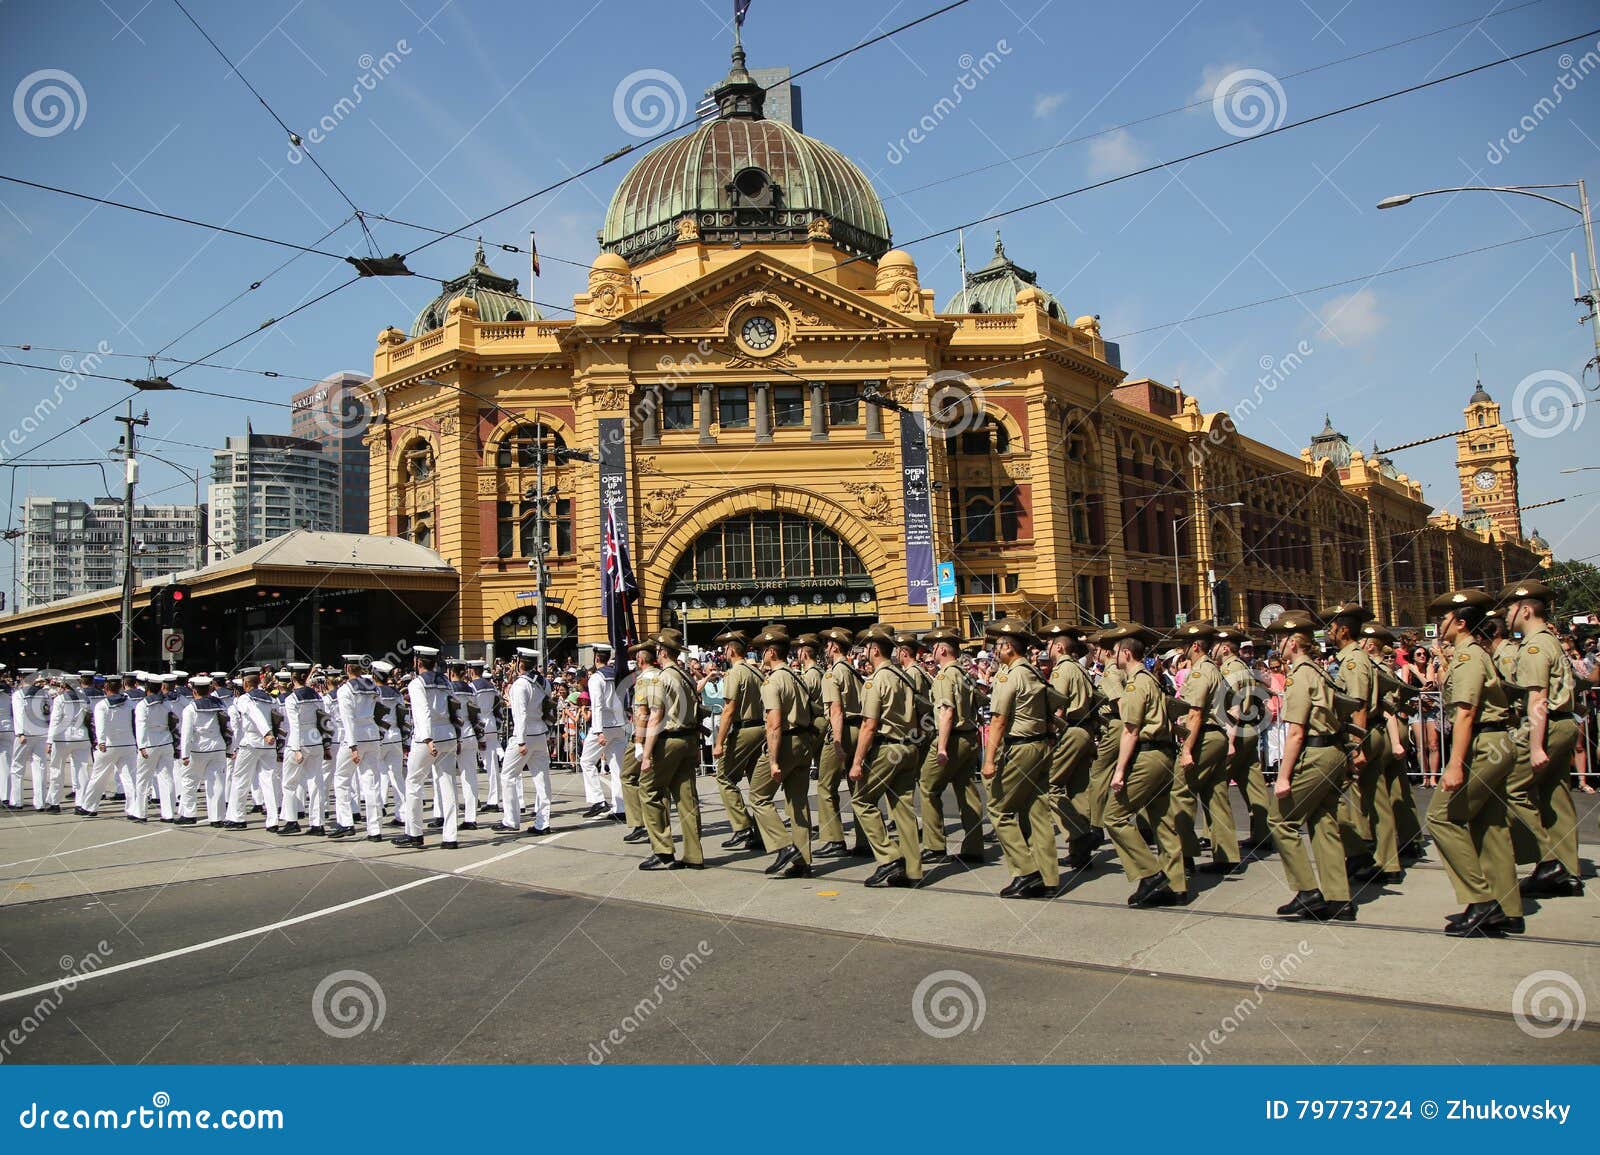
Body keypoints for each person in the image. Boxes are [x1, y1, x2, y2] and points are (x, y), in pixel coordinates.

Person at [1425, 590, 1522, 936]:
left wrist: (1454, 765)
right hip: (1494, 742)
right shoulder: (1470, 655)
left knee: (1440, 817)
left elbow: (1465, 715)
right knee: (1490, 826)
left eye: (1444, 618)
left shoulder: (1468, 658)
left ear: (1461, 622)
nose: (1439, 624)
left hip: (1483, 745)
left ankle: (1482, 901)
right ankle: (1507, 907)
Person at [1264, 611, 1355, 922]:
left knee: (1280, 818)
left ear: (1291, 642)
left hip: (1315, 753)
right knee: (1323, 821)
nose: (1278, 645)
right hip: (1333, 751)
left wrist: (1283, 776)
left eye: (1280, 639)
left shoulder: (1300, 674)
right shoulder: (1318, 670)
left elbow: (1297, 731)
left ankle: (1307, 891)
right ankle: (1338, 897)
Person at [1499, 579, 1585, 899]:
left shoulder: (1534, 645)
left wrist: (1534, 746)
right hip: (1563, 724)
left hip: (1545, 726)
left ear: (1524, 609)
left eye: (1509, 608)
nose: (1506, 615)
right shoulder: (1551, 641)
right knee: (1555, 796)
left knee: (1512, 787)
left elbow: (1538, 698)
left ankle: (1549, 862)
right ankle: (1568, 872)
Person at [1101, 624, 1187, 908]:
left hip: (1147, 755)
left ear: (1126, 654)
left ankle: (1151, 874)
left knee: (1113, 816)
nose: (1113, 658)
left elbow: (1131, 731)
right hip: (1163, 754)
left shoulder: (1137, 683)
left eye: (1115, 653)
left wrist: (1119, 771)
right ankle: (1176, 885)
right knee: (1163, 821)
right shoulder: (1151, 679)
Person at [1323, 603, 1401, 886]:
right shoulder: (1356, 658)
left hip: (1362, 734)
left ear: (1343, 630)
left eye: (1331, 628)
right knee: (1377, 799)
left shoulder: (1353, 661)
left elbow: (1359, 705)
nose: (1328, 633)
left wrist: (1355, 745)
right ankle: (1386, 861)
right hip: (1374, 731)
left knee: (1338, 793)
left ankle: (1360, 853)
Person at [981, 618, 1058, 899]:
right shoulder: (1034, 672)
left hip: (1021, 746)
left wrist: (989, 760)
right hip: (1039, 745)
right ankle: (1048, 877)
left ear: (1008, 648)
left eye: (998, 646)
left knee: (1000, 809)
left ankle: (1026, 872)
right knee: (1037, 812)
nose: (995, 650)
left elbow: (999, 720)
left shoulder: (1010, 674)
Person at [849, 623, 922, 888]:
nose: (864, 652)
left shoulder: (877, 680)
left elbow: (869, 725)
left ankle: (889, 857)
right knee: (903, 808)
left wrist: (857, 761)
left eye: (867, 647)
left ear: (875, 649)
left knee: (862, 800)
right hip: (908, 746)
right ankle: (912, 870)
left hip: (888, 747)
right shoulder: (905, 676)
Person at [752, 625, 815, 879]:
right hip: (803, 741)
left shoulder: (772, 681)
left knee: (758, 796)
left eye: (761, 651)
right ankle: (803, 860)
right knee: (797, 804)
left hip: (785, 743)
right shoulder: (796, 676)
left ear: (769, 652)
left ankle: (783, 846)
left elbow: (774, 723)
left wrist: (774, 761)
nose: (760, 656)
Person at [1174, 622, 1236, 875]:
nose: (1183, 650)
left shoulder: (1200, 672)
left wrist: (1187, 749)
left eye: (1185, 646)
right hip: (1216, 736)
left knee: (1180, 794)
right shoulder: (1215, 669)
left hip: (1204, 738)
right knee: (1216, 795)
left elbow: (1195, 713)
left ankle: (1184, 856)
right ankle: (1226, 855)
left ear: (1196, 646)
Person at [638, 629, 704, 870]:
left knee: (648, 789)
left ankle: (663, 851)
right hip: (688, 739)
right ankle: (694, 855)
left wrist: (646, 754)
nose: (656, 651)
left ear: (662, 652)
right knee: (686, 797)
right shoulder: (684, 675)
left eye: (657, 648)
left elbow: (656, 715)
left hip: (670, 740)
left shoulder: (662, 677)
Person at [920, 627, 986, 865]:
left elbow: (946, 712)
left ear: (944, 649)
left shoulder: (945, 675)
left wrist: (941, 747)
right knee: (966, 790)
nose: (931, 651)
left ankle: (935, 845)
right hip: (969, 735)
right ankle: (973, 846)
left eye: (934, 647)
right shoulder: (965, 673)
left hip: (953, 736)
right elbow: (979, 702)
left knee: (928, 787)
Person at [1039, 621, 1096, 872]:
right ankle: (1080, 853)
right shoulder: (1079, 668)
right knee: (1078, 788)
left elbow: (1058, 707)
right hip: (1085, 729)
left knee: (1049, 784)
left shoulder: (1062, 669)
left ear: (1059, 646)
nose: (1047, 648)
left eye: (1049, 644)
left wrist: (1050, 735)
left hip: (1070, 730)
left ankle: (1078, 833)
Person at [397, 645, 458, 849]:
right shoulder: (446, 682)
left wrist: (428, 739)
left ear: (418, 662)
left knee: (414, 782)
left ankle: (414, 832)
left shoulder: (417, 683)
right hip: (448, 733)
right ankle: (450, 837)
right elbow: (454, 708)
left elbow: (422, 713)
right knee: (448, 785)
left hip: (428, 737)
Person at [711, 628, 765, 850]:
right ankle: (762, 833)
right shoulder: (756, 672)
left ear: (732, 650)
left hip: (744, 729)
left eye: (725, 648)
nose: (723, 652)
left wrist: (719, 742)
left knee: (724, 777)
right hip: (760, 728)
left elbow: (729, 710)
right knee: (755, 783)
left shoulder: (735, 673)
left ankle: (742, 826)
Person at [815, 626, 865, 858]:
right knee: (857, 787)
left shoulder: (832, 673)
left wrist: (836, 741)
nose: (826, 648)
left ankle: (834, 839)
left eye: (828, 644)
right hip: (858, 729)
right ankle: (865, 839)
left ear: (835, 646)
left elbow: (836, 710)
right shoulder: (852, 671)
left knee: (826, 786)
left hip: (842, 730)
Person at [499, 646, 553, 835]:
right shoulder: (543, 682)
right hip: (540, 732)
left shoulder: (520, 684)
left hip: (525, 734)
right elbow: (548, 705)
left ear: (520, 662)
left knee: (507, 776)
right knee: (542, 779)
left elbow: (520, 714)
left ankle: (511, 820)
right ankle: (543, 822)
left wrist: (520, 741)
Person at [337, 654, 383, 842]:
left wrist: (352, 746)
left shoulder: (345, 689)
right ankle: (375, 829)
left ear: (348, 668)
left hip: (355, 736)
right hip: (372, 734)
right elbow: (379, 710)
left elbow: (347, 720)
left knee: (341, 779)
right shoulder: (372, 687)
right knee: (371, 783)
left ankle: (346, 823)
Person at [578, 646, 625, 820]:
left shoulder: (596, 678)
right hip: (619, 724)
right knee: (617, 767)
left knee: (587, 761)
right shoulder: (616, 673)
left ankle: (598, 801)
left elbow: (596, 705)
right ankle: (620, 808)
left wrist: (598, 731)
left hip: (604, 725)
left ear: (597, 658)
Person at [81, 675, 136, 818]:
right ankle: (133, 810)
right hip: (128, 743)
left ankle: (89, 807)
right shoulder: (129, 703)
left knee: (98, 777)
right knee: (130, 778)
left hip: (109, 745)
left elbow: (100, 725)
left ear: (105, 688)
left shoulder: (102, 705)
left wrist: (101, 742)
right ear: (121, 687)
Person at [45, 672, 92, 815]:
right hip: (81, 737)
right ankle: (81, 804)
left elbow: (55, 721)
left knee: (57, 770)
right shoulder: (84, 699)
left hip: (62, 738)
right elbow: (88, 717)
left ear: (64, 685)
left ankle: (55, 803)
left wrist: (49, 740)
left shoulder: (60, 699)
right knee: (81, 771)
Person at [134, 671, 178, 823]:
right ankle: (169, 814)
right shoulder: (167, 703)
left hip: (150, 742)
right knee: (166, 778)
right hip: (166, 741)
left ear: (147, 687)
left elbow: (141, 725)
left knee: (143, 779)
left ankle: (140, 813)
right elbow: (174, 721)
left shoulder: (143, 704)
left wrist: (141, 746)